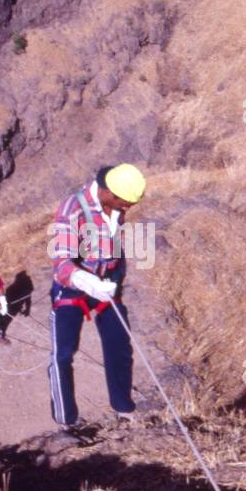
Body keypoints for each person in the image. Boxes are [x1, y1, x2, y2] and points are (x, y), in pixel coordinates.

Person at [46, 163, 146, 427]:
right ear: (109, 192)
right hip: (73, 288)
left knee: (119, 347)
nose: (126, 209)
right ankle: (66, 423)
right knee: (63, 355)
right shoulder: (72, 209)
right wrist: (87, 282)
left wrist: (114, 276)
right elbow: (62, 263)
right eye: (124, 203)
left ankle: (124, 410)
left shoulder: (114, 209)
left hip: (106, 284)